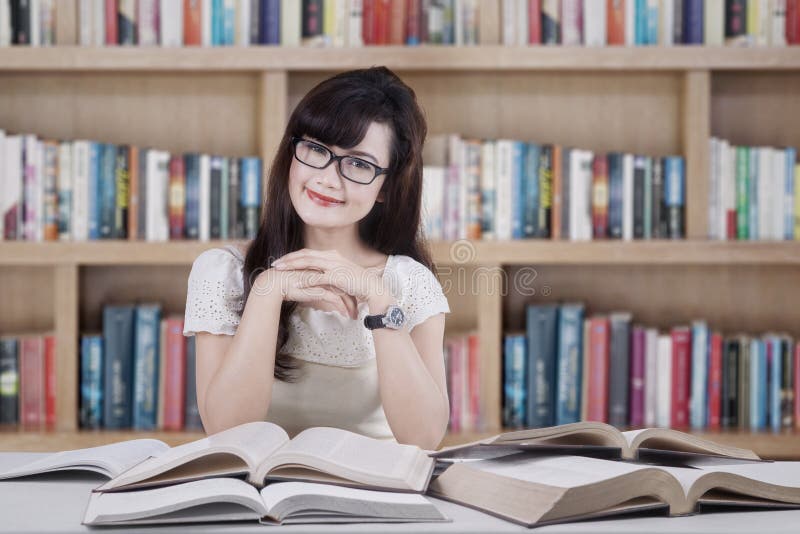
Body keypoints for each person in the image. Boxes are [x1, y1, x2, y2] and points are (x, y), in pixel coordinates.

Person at [182, 66, 451, 450]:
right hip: (262, 501)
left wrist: (377, 297)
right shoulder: (221, 272)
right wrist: (267, 291)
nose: (327, 178)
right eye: (317, 149)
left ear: (386, 188)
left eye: (358, 163)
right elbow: (226, 432)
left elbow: (424, 438)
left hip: (377, 498)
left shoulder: (409, 282)